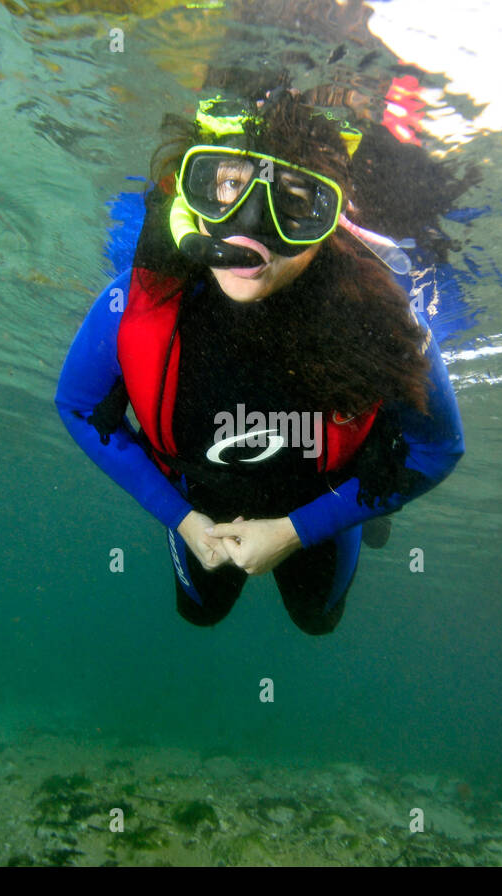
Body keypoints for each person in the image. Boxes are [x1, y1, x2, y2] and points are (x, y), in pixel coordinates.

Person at [56, 87, 464, 635]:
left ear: (332, 223)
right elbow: (79, 406)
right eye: (227, 185)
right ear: (189, 196)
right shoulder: (136, 303)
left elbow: (437, 448)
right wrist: (183, 519)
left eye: (296, 200)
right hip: (200, 508)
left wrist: (296, 531)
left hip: (316, 506)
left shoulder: (385, 324)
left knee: (318, 620)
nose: (250, 228)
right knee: (200, 613)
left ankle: (366, 517)